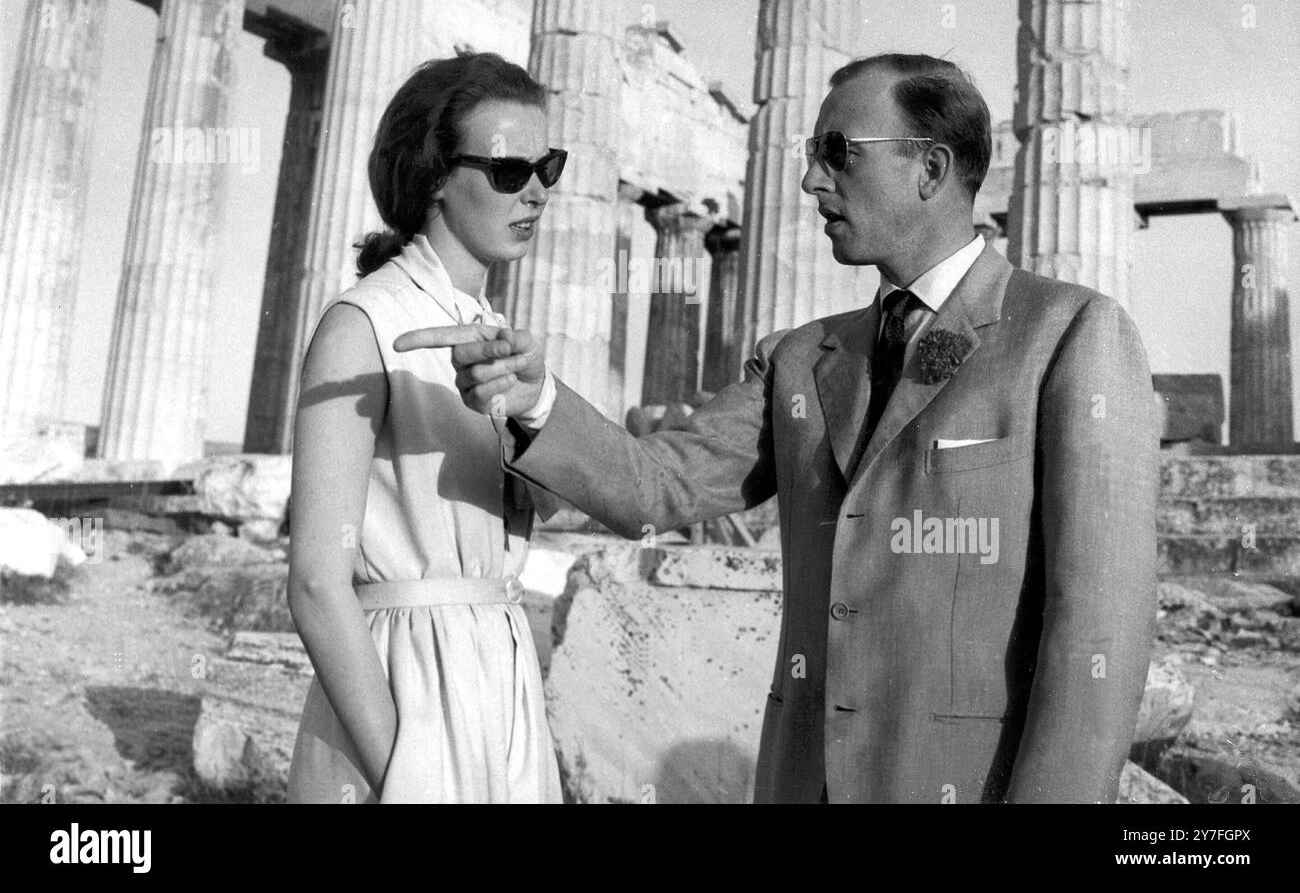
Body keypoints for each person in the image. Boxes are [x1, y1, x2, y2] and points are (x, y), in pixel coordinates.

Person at [399, 53, 1160, 804]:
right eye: (808, 154)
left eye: (839, 153)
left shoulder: (1069, 336)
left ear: (931, 169)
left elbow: (1098, 631)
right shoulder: (801, 359)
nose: (809, 180)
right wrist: (537, 400)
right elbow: (656, 485)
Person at [286, 52, 567, 803]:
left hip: (497, 679)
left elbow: (552, 510)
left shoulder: (494, 334)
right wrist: (406, 772)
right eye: (511, 170)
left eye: (549, 166)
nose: (536, 191)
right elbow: (316, 581)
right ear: (437, 173)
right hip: (400, 687)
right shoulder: (362, 323)